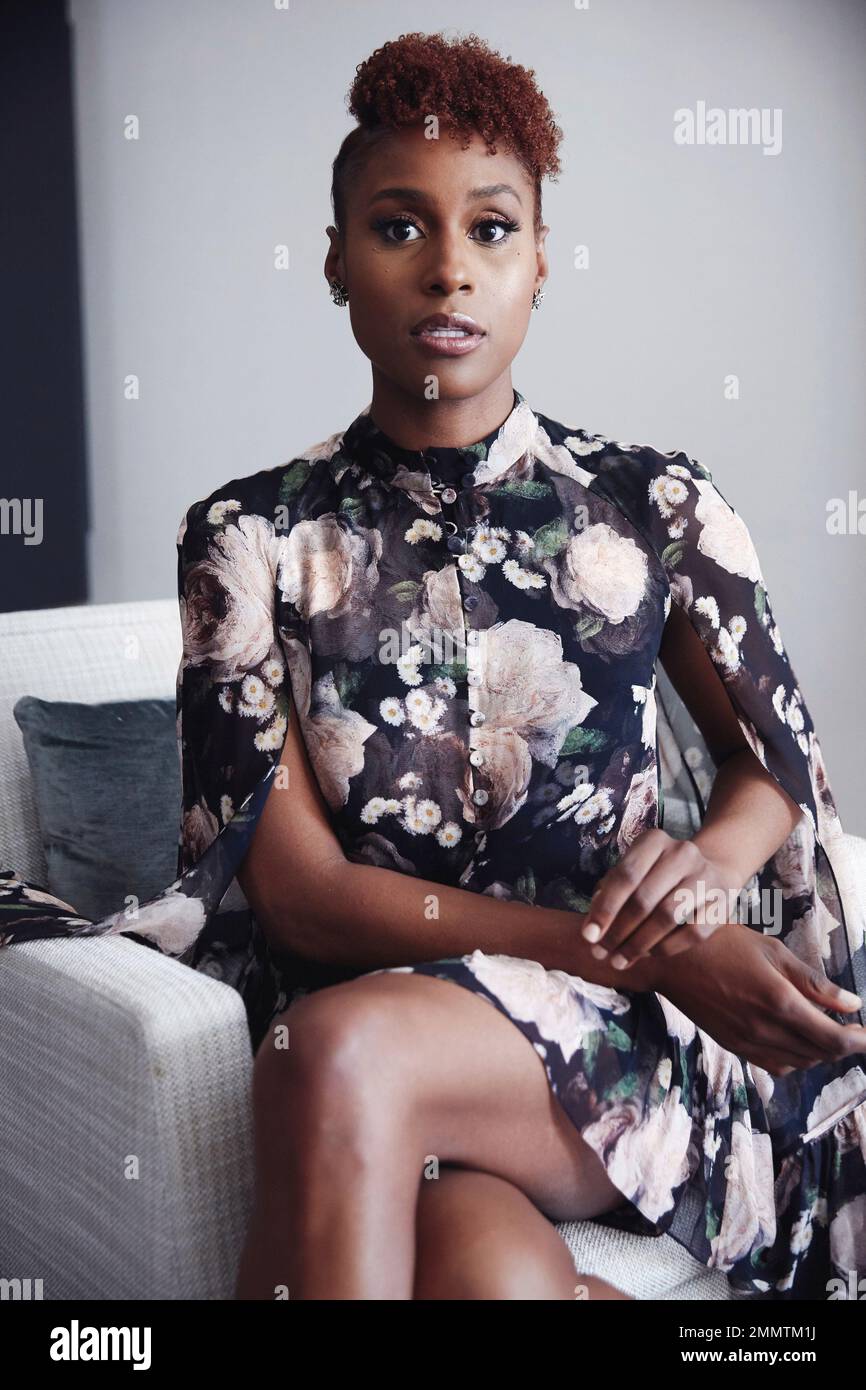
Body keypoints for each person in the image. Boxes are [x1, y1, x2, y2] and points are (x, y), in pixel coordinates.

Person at [3, 30, 866, 1302]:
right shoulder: (249, 535)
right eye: (399, 228)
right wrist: (629, 943)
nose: (449, 269)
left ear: (540, 267)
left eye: (492, 229)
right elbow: (298, 899)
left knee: (339, 1054)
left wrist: (702, 884)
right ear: (337, 264)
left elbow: (767, 776)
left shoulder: (653, 504)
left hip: (609, 1041)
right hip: (414, 1006)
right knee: (482, 1273)